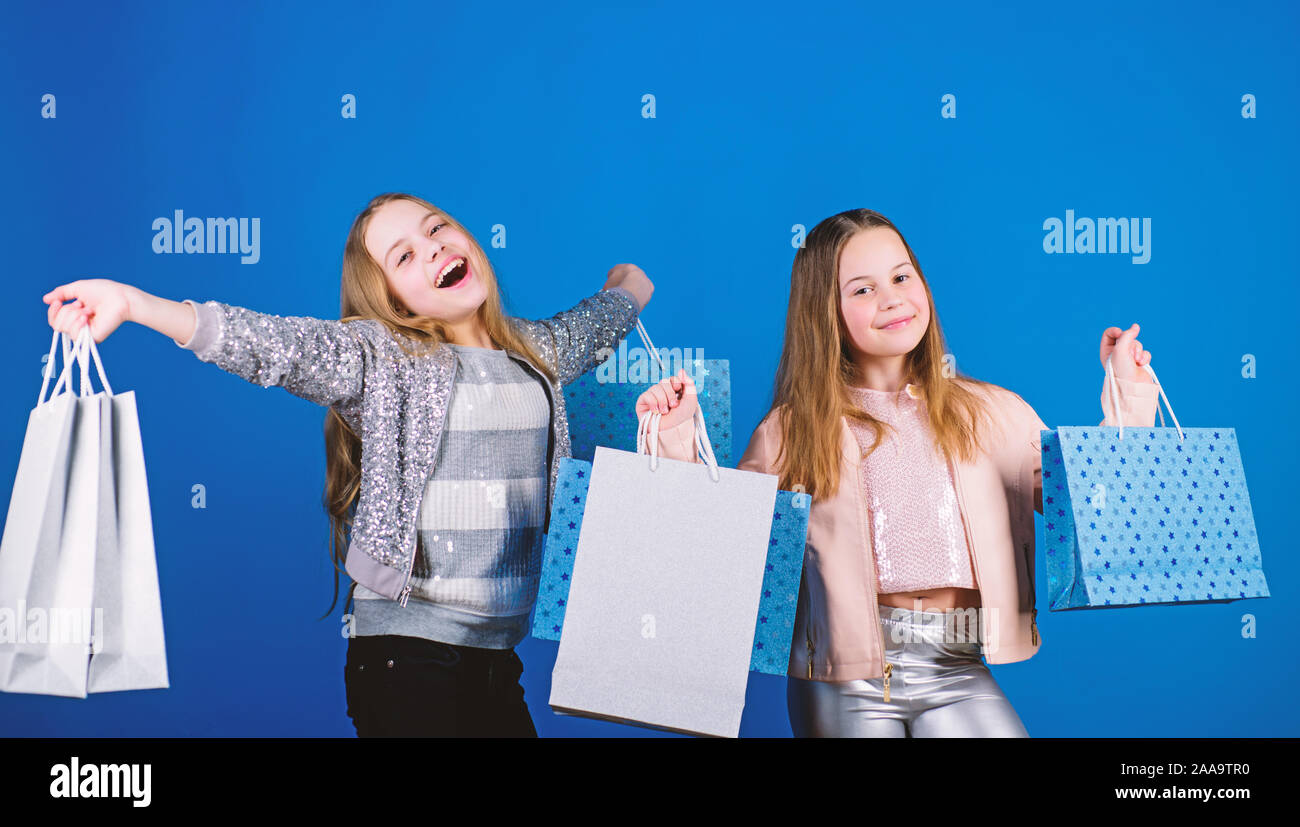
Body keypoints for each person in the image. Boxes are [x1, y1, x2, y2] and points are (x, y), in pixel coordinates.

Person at [43, 192, 654, 737]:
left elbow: (605, 319)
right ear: (391, 298)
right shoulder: (383, 357)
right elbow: (274, 346)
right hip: (408, 659)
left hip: (497, 657)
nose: (432, 248)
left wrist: (628, 282)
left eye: (437, 229)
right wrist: (135, 303)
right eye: (404, 256)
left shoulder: (535, 352)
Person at [635, 208, 1158, 737]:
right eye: (861, 290)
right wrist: (675, 443)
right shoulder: (792, 430)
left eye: (902, 277)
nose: (891, 298)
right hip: (843, 678)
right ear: (826, 313)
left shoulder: (993, 413)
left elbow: (1093, 510)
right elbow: (721, 554)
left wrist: (1127, 399)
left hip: (959, 662)